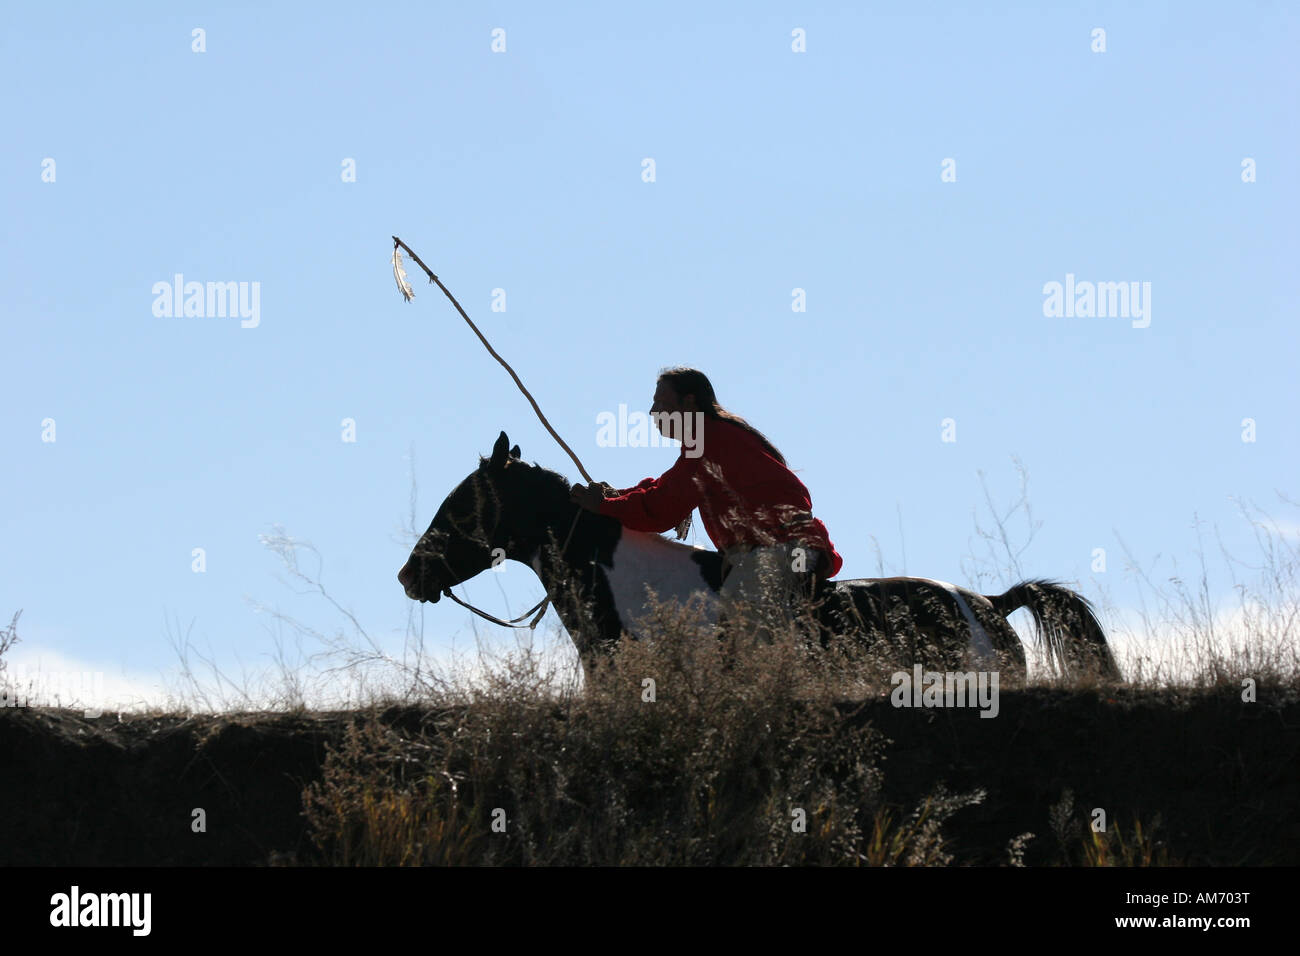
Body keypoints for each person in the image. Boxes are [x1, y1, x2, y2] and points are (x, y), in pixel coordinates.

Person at [569, 367, 843, 644]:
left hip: (782, 549)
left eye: (661, 403)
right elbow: (667, 487)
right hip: (776, 548)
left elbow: (663, 506)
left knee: (743, 628)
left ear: (689, 403)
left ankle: (775, 683)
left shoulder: (710, 439)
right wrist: (613, 497)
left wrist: (605, 505)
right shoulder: (712, 437)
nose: (653, 412)